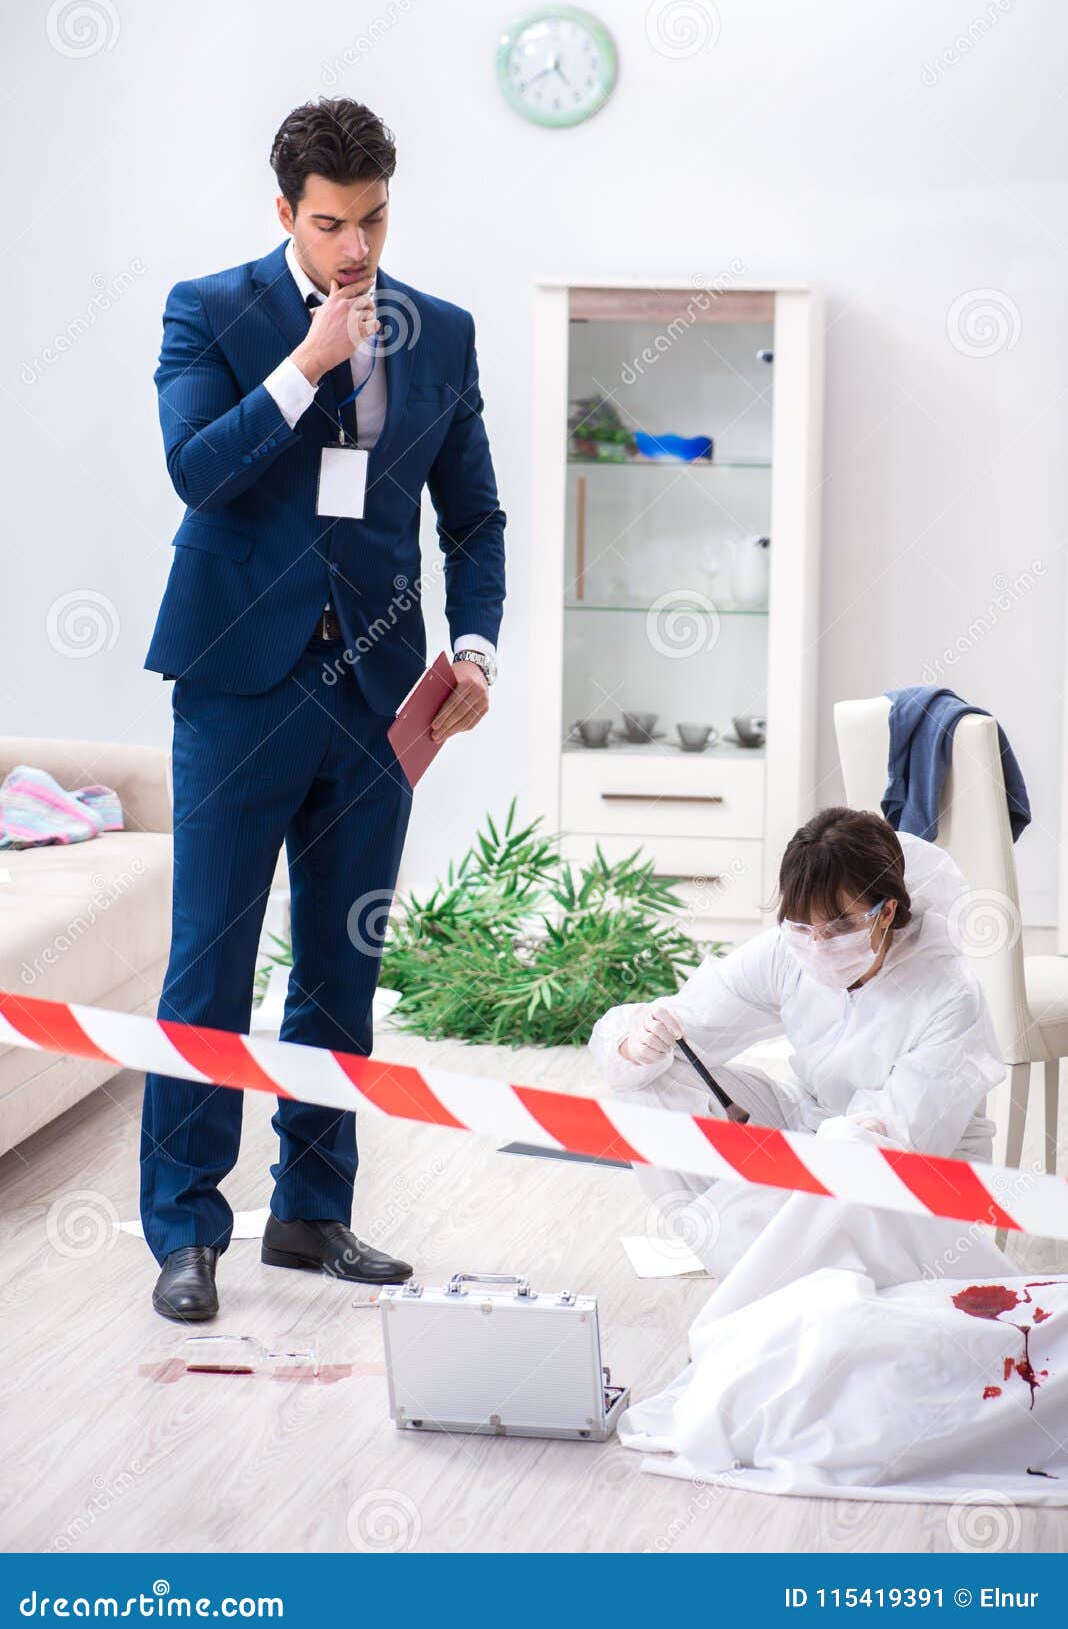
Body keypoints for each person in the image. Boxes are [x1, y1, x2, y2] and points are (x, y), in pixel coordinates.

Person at [140, 97, 506, 1322]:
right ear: (286, 213)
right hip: (238, 688)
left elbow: (475, 519)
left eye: (376, 221)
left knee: (342, 965)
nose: (357, 249)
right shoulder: (209, 311)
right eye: (333, 224)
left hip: (375, 696)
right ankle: (186, 1230)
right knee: (209, 965)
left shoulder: (443, 332)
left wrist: (473, 648)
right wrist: (308, 363)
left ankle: (311, 1211)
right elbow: (198, 471)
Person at [589, 807, 1006, 1278]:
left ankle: (760, 1262)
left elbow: (894, 1139)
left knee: (844, 1157)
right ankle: (744, 1259)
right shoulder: (788, 951)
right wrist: (639, 1039)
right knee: (651, 1083)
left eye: (840, 927)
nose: (818, 944)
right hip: (814, 1133)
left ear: (887, 911)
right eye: (802, 926)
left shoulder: (948, 994)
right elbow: (692, 1018)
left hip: (915, 1182)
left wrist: (761, 1192)